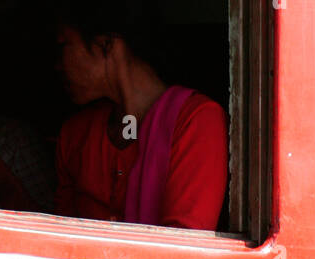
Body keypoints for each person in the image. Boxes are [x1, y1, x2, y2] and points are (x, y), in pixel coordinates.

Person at [52, 1, 227, 230]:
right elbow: (59, 238)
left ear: (106, 44)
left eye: (64, 45)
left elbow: (185, 249)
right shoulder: (75, 135)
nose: (57, 65)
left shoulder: (195, 121)